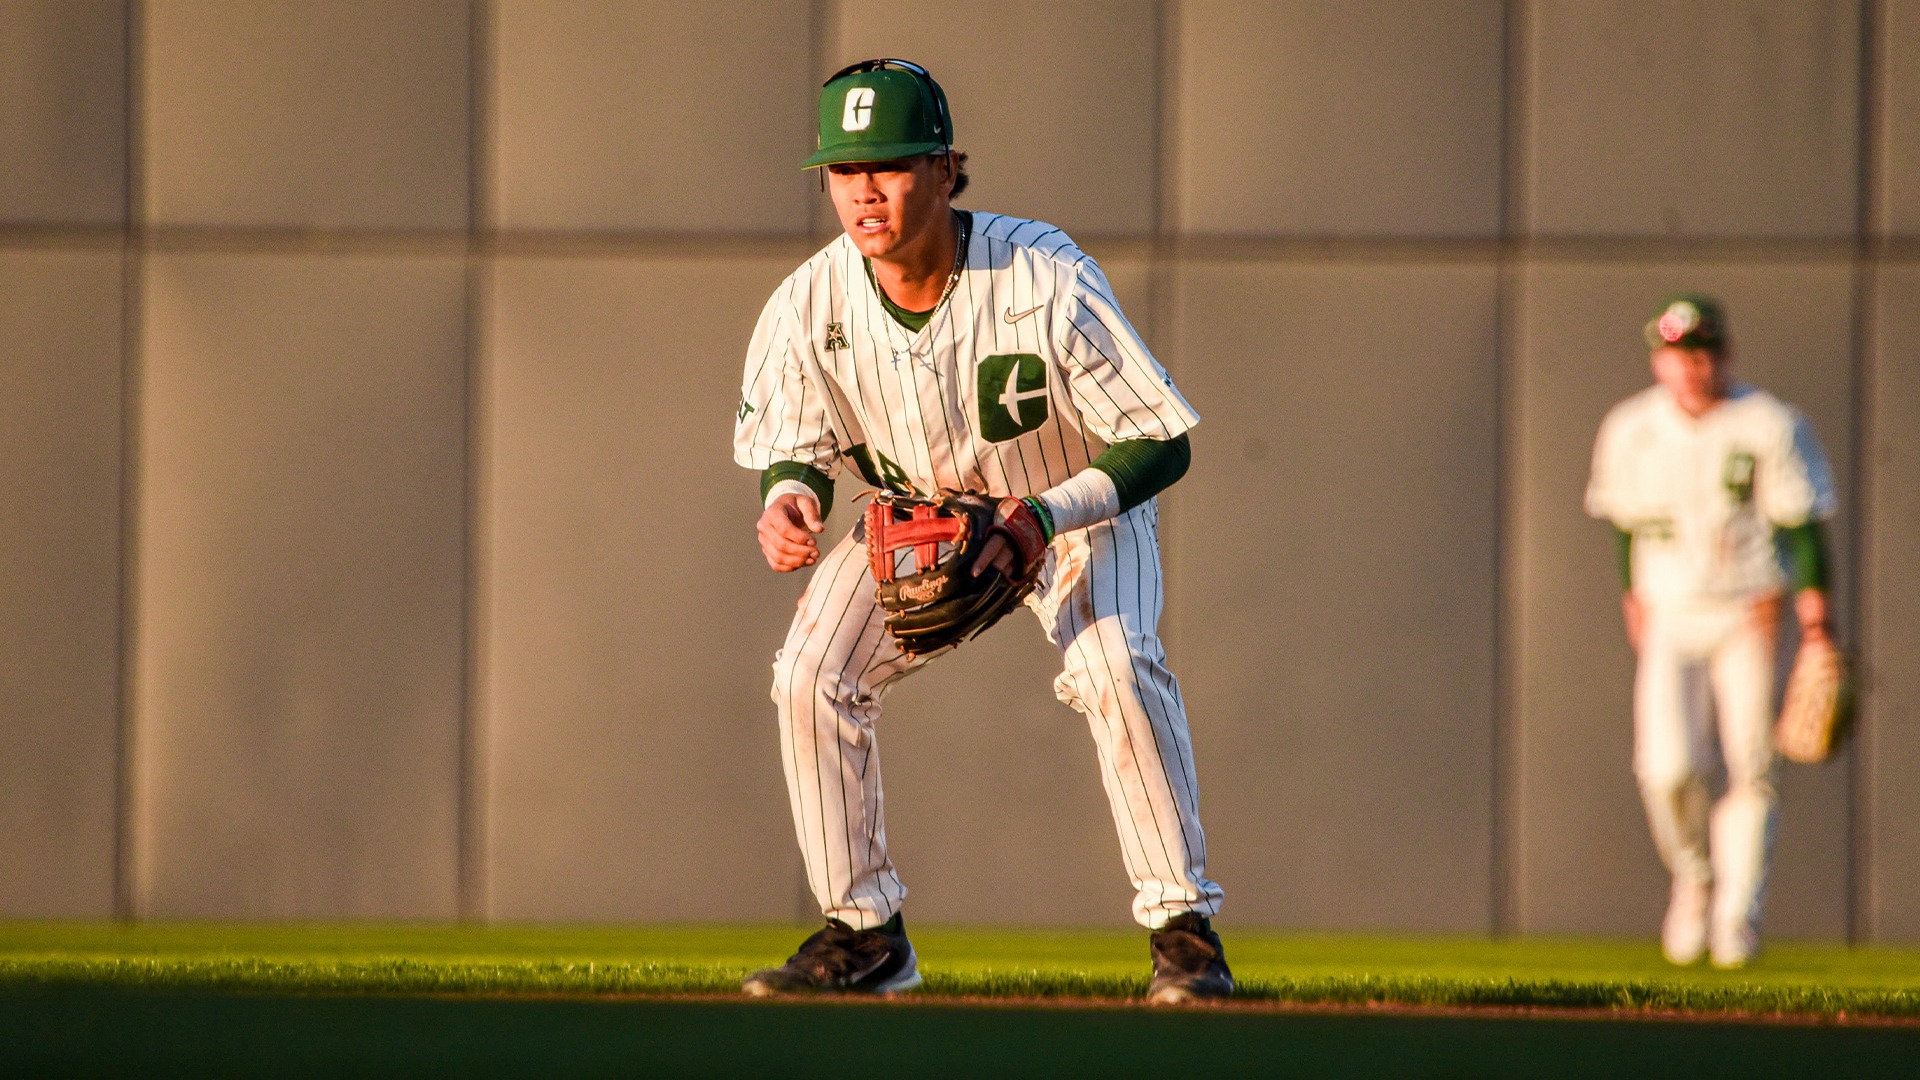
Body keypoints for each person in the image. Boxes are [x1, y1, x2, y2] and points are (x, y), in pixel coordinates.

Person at [731, 59, 1229, 1003]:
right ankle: (867, 936)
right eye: (844, 170)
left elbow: (1159, 442)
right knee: (809, 674)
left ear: (946, 169)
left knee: (1116, 668)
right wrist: (790, 498)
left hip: (1070, 505)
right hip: (915, 521)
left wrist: (1044, 516)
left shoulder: (1042, 274)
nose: (864, 190)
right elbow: (794, 447)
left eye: (890, 164)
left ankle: (1184, 936)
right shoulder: (809, 302)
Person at [1585, 295, 1837, 968]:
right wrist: (1631, 595)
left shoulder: (1769, 423)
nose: (1690, 366)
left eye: (1701, 352)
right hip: (1670, 609)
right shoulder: (1631, 427)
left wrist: (1817, 622)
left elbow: (1803, 526)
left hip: (1748, 610)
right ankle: (1695, 877)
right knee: (1666, 767)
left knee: (1754, 767)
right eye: (1676, 354)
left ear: (1723, 354)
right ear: (1657, 360)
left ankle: (1737, 918)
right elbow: (1622, 523)